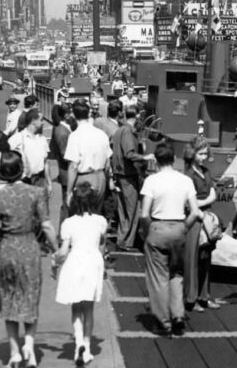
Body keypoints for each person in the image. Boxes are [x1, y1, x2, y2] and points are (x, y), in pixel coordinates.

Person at [0, 151, 58, 368]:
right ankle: (29, 346)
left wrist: (4, 223)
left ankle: (15, 353)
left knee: (8, 300)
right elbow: (46, 225)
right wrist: (56, 250)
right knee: (30, 297)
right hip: (28, 249)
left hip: (6, 250)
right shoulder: (36, 193)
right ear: (22, 170)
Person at [139, 142, 202, 336]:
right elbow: (195, 212)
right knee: (177, 274)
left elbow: (144, 214)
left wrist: (147, 232)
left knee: (159, 277)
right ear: (174, 159)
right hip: (179, 228)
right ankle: (178, 315)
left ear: (156, 161)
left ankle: (163, 322)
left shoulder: (151, 181)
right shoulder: (185, 180)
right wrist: (184, 228)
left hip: (158, 228)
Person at [54, 181, 107, 368]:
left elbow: (63, 251)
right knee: (89, 308)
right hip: (93, 262)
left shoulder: (68, 223)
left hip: (75, 262)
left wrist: (55, 261)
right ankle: (87, 346)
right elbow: (101, 244)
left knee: (76, 307)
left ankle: (78, 344)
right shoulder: (101, 221)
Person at [182, 138, 224, 311]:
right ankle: (191, 299)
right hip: (194, 219)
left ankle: (204, 296)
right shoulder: (187, 175)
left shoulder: (206, 171)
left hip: (206, 217)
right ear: (192, 153)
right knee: (192, 258)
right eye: (200, 154)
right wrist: (207, 200)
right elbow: (188, 203)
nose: (204, 157)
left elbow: (212, 192)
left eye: (206, 154)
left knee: (205, 258)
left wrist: (203, 202)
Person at [111, 107, 155, 251]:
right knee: (132, 210)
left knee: (124, 210)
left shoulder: (120, 130)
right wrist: (145, 157)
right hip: (127, 176)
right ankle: (126, 242)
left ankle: (122, 240)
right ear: (136, 117)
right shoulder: (127, 132)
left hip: (121, 174)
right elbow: (129, 153)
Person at [64, 98, 113, 216]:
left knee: (83, 215)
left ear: (74, 115)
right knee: (97, 214)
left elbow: (73, 166)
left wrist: (68, 192)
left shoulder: (75, 136)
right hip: (101, 177)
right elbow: (108, 162)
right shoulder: (101, 134)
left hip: (84, 179)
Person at [49, 102, 74, 226]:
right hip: (67, 172)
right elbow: (65, 155)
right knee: (67, 204)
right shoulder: (62, 132)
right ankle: (63, 230)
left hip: (66, 171)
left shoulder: (63, 127)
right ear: (66, 115)